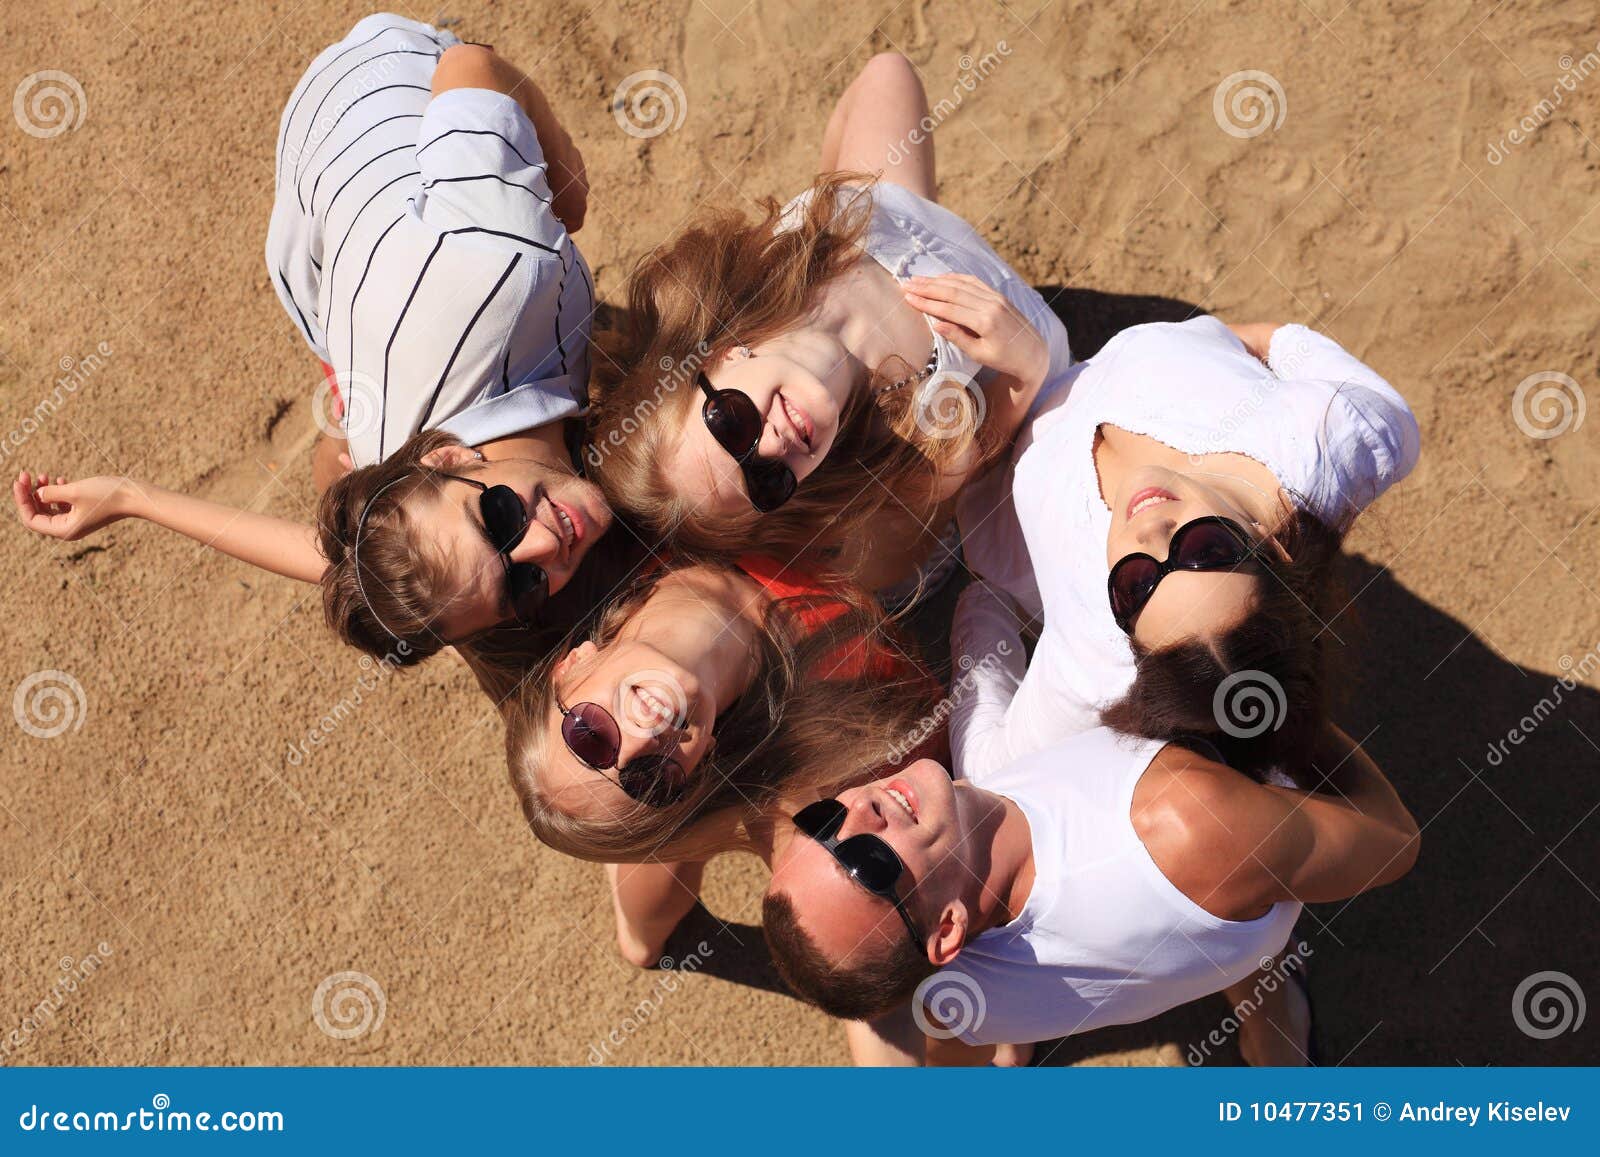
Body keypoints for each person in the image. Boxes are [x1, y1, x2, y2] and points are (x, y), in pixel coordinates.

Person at [12, 14, 613, 665]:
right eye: (520, 585)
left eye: (498, 518)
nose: (544, 546)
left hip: (367, 93)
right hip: (324, 256)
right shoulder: (407, 498)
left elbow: (467, 65)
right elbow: (334, 555)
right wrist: (131, 498)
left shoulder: (498, 267)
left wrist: (564, 172)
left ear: (444, 459)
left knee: (352, 439)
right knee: (344, 458)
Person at [587, 53, 1072, 595]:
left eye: (731, 424)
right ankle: (922, 555)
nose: (771, 449)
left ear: (719, 352)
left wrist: (845, 191)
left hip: (906, 227)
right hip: (1030, 376)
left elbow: (881, 95)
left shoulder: (785, 262)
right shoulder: (911, 442)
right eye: (768, 484)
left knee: (887, 73)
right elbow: (989, 440)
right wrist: (1026, 369)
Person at [762, 724, 1420, 1065]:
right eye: (870, 864)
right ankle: (1269, 1002)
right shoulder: (1181, 818)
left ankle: (1266, 1010)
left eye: (823, 820)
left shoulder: (948, 1000)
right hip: (1247, 881)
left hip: (1201, 921)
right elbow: (1395, 841)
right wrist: (1288, 700)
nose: (860, 808)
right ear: (947, 932)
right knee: (1245, 928)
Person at [949, 316, 1422, 780]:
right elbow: (1276, 341)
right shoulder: (1343, 431)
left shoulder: (1096, 655)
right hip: (1022, 320)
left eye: (1136, 585)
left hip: (959, 459)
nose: (1151, 532)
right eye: (1205, 548)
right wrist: (1227, 338)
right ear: (1273, 545)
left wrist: (981, 600)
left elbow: (991, 767)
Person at [500, 555, 944, 966]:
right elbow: (855, 947)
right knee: (673, 835)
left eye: (590, 736)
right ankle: (644, 934)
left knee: (665, 835)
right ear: (702, 758)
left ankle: (643, 928)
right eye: (649, 781)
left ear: (573, 664)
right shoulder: (828, 713)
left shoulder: (632, 534)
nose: (639, 744)